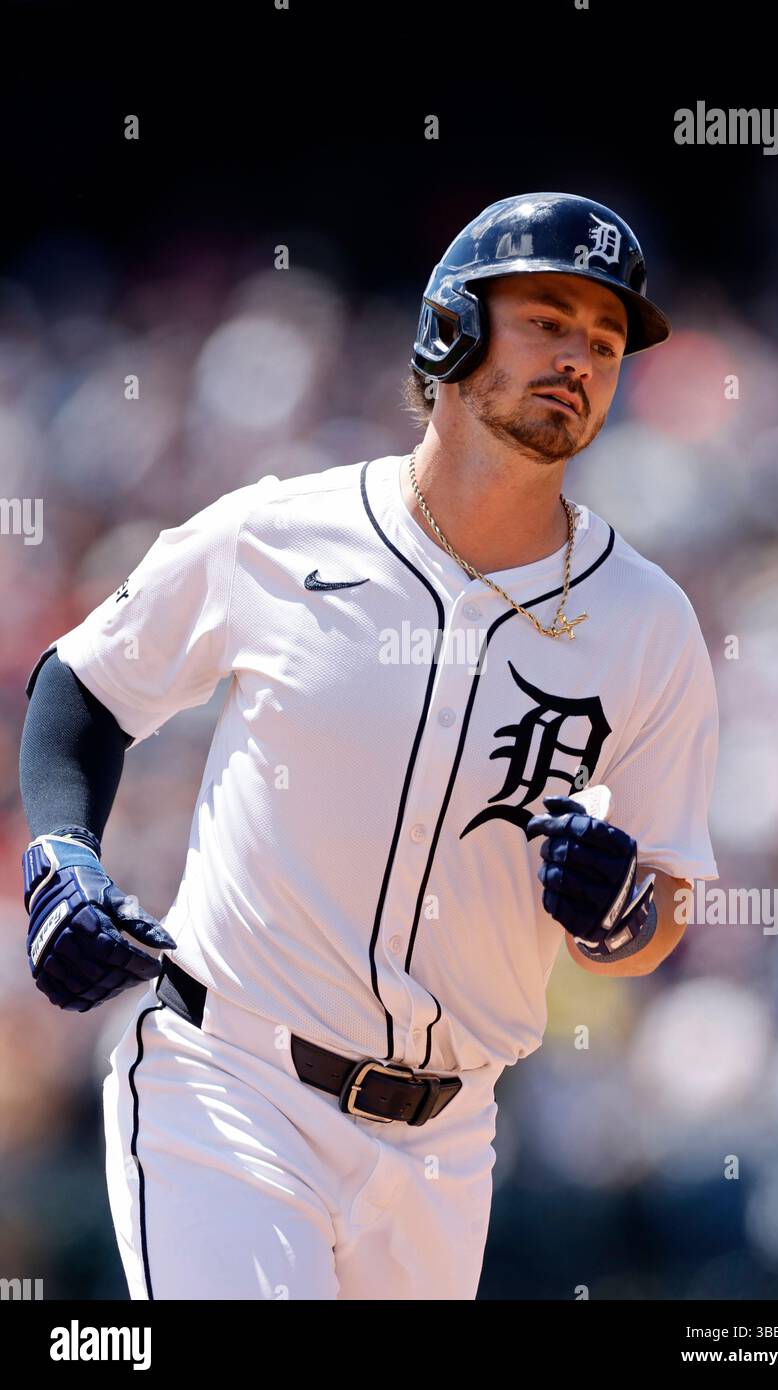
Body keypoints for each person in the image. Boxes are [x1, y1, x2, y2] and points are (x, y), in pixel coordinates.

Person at [19, 192, 719, 1300]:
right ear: (451, 326)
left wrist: (620, 911)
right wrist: (61, 849)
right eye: (546, 318)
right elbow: (85, 683)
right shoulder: (277, 532)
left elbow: (663, 905)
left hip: (447, 1146)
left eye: (603, 341)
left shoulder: (647, 621)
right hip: (231, 1085)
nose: (579, 357)